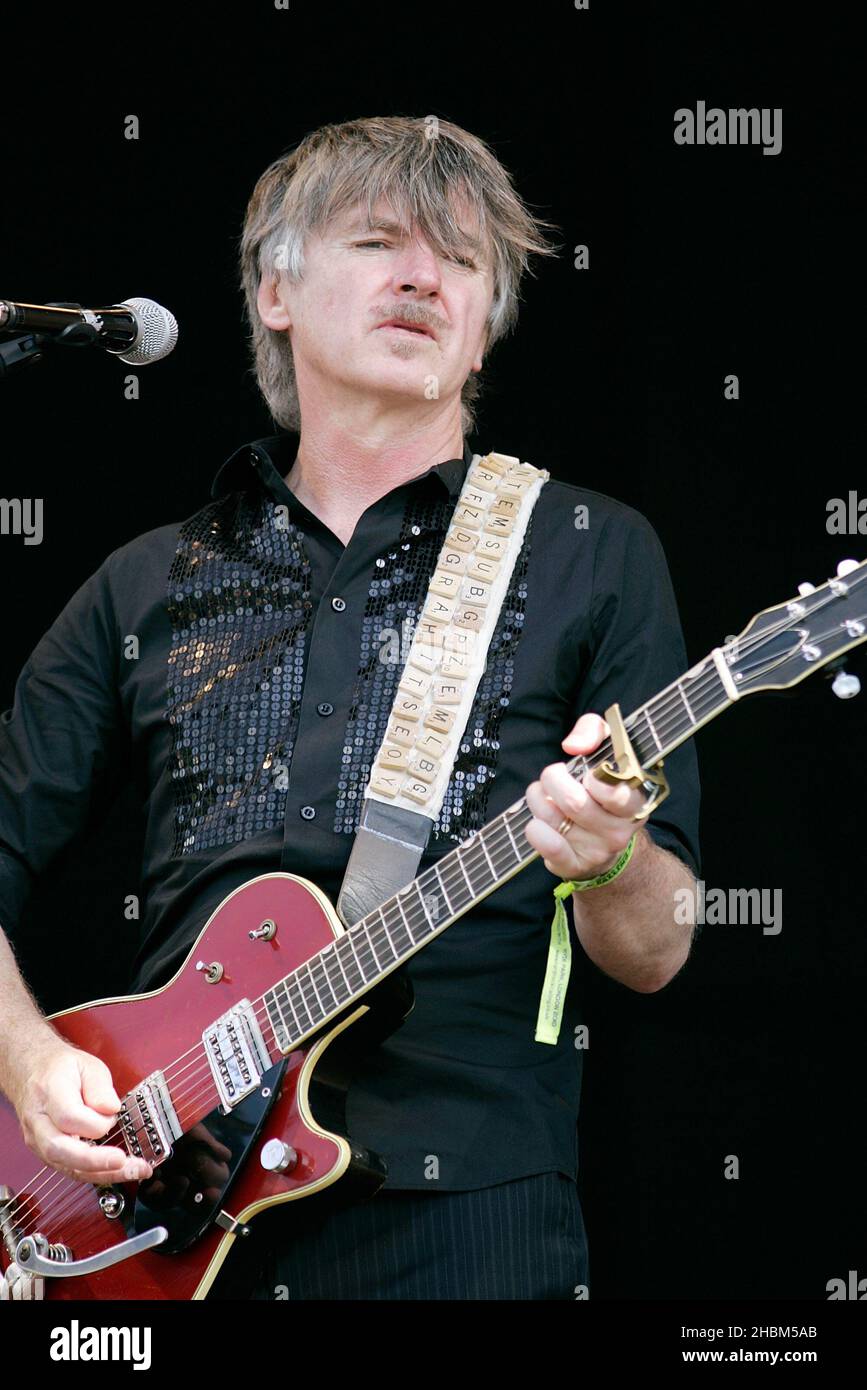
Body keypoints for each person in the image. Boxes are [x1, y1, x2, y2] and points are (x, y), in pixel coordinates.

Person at [0, 115, 700, 1300]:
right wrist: (26, 1060)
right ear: (276, 290)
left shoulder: (587, 552)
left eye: (465, 260)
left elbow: (659, 946)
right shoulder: (147, 580)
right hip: (154, 1208)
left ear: (484, 327)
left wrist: (613, 853)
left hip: (463, 1213)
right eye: (380, 241)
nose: (426, 275)